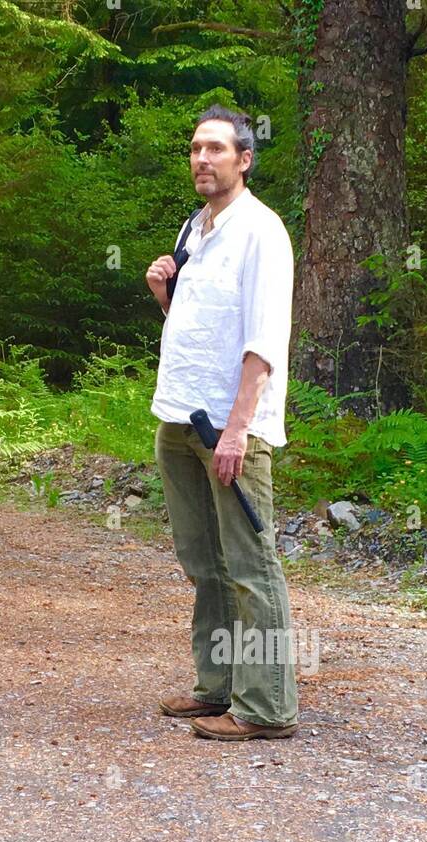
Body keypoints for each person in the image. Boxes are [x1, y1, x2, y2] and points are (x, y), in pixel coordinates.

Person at [146, 104, 299, 741]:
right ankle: (217, 688)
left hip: (231, 430)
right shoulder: (196, 227)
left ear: (244, 158)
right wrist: (164, 295)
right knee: (205, 564)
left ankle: (265, 708)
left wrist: (237, 430)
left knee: (250, 566)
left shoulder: (261, 230)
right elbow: (199, 328)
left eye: (215, 149)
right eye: (194, 148)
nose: (202, 159)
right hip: (179, 417)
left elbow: (263, 341)